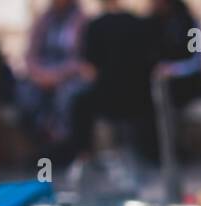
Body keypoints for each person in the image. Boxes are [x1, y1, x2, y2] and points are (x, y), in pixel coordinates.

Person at [63, 0, 160, 164]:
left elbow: (90, 69)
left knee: (80, 102)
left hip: (110, 98)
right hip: (139, 97)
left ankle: (84, 156)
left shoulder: (95, 26)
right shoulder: (141, 24)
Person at [17, 0, 89, 150]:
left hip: (69, 76)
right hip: (42, 76)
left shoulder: (82, 20)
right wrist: (41, 74)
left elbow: (82, 59)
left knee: (67, 95)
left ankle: (62, 143)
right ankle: (41, 138)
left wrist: (58, 76)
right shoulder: (43, 21)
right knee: (25, 92)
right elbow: (30, 55)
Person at [149, 0, 201, 111]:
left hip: (186, 86)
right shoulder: (153, 25)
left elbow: (197, 62)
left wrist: (173, 69)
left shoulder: (192, 26)